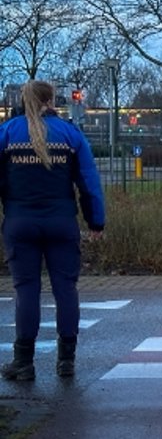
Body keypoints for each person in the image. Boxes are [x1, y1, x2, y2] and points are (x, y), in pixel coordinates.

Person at [0, 80, 106, 381]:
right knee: (65, 289)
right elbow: (89, 181)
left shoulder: (7, 133)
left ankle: (23, 362)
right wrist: (95, 221)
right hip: (61, 221)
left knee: (26, 290)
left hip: (20, 221)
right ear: (52, 99)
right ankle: (66, 361)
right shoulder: (71, 134)